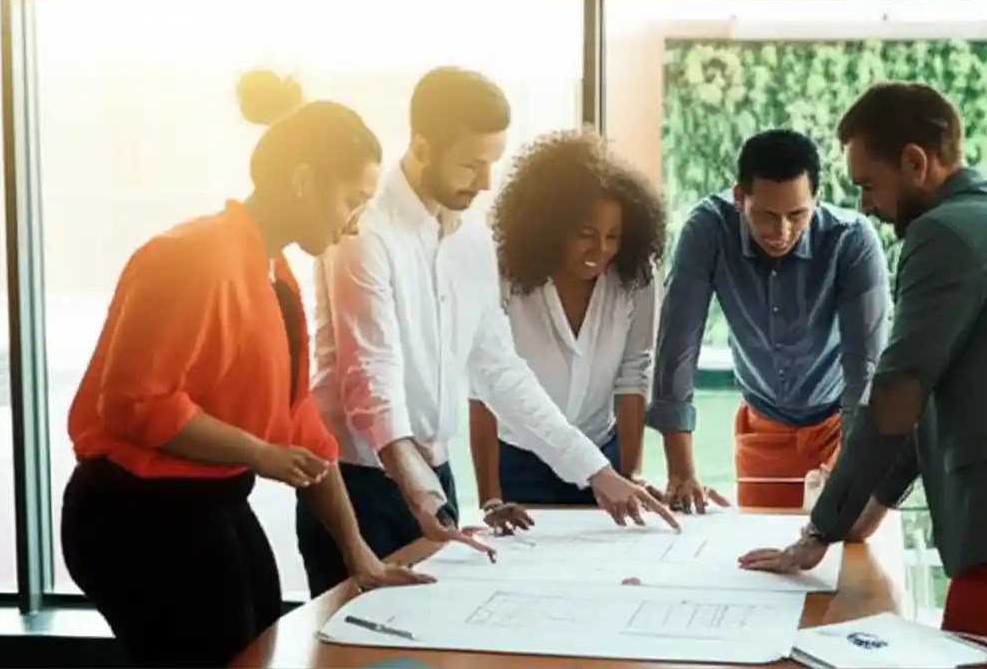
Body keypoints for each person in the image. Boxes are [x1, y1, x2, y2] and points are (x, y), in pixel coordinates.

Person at [739, 81, 987, 668]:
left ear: (916, 162)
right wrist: (864, 514)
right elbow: (924, 395)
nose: (865, 205)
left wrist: (822, 528)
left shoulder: (943, 235)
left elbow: (897, 393)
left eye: (869, 184)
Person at [59, 71, 430, 668]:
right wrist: (260, 454)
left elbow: (301, 430)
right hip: (134, 514)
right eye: (350, 201)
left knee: (261, 645)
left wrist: (359, 556)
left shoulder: (275, 278)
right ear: (305, 180)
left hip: (213, 504)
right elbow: (134, 403)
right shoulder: (189, 256)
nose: (354, 222)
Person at [301, 67, 679, 597]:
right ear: (423, 146)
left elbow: (501, 372)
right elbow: (371, 376)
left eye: (492, 163)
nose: (483, 182)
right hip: (358, 483)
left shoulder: (472, 241)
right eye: (471, 164)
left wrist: (598, 471)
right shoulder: (365, 231)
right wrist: (418, 490)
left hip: (435, 475)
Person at [648, 129, 890, 511]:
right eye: (766, 215)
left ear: (817, 200)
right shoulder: (709, 229)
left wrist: (848, 470)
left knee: (847, 552)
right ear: (739, 196)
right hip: (762, 428)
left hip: (840, 429)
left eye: (797, 215)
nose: (781, 232)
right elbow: (677, 347)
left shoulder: (852, 240)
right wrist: (680, 470)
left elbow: (867, 369)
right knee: (761, 559)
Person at [465, 129, 671, 529]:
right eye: (586, 235)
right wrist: (490, 498)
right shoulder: (503, 272)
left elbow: (634, 373)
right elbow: (484, 390)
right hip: (520, 459)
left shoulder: (637, 276)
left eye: (613, 237)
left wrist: (628, 474)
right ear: (551, 225)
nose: (601, 251)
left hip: (603, 453)